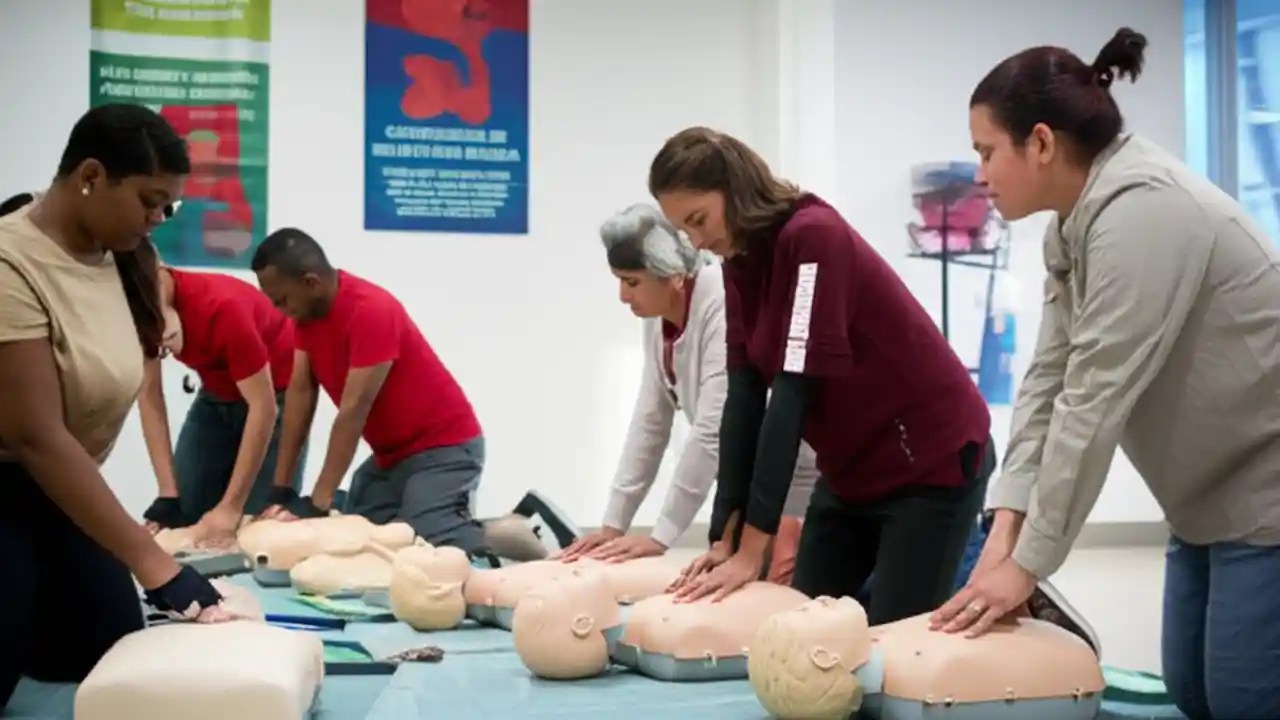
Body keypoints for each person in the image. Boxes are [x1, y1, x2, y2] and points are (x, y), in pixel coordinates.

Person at [929, 27, 1280, 719]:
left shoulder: (1145, 210)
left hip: (1265, 492)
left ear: (1041, 142)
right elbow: (1046, 385)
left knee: (1243, 701)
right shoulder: (1072, 226)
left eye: (986, 151)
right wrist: (1000, 542)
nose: (980, 174)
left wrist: (1027, 567)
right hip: (1201, 499)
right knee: (1194, 692)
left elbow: (1093, 401)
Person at [650, 126, 995, 625]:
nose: (697, 241)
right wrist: (723, 539)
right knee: (803, 633)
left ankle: (1021, 613)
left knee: (891, 647)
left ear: (734, 189)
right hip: (852, 473)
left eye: (699, 220)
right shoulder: (738, 261)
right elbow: (744, 398)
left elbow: (791, 395)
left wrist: (755, 551)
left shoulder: (813, 237)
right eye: (685, 231)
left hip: (929, 463)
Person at [0, 104, 230, 708]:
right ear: (92, 176)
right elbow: (34, 436)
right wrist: (153, 562)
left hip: (55, 488)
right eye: (148, 201)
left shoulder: (125, 254)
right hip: (10, 478)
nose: (158, 219)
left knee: (103, 646)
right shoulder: (10, 262)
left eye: (169, 207)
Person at [558, 203, 818, 582]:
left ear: (675, 277)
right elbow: (649, 422)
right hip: (756, 484)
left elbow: (712, 430)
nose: (622, 297)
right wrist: (613, 525)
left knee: (792, 597)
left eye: (631, 282)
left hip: (806, 478)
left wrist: (661, 535)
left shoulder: (720, 300)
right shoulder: (659, 317)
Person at [250, 228, 491, 554]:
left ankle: (513, 531)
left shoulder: (371, 310)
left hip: (445, 447)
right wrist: (280, 488)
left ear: (311, 283)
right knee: (362, 537)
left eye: (282, 300)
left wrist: (319, 501)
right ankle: (445, 518)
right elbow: (301, 394)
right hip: (391, 456)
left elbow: (353, 412)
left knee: (428, 536)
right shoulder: (307, 314)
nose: (279, 310)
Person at [134, 248, 304, 547]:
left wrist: (231, 507)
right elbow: (149, 396)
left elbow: (263, 409)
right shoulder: (137, 308)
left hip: (277, 395)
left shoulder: (223, 306)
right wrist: (167, 494)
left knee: (257, 530)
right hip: (216, 393)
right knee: (183, 513)